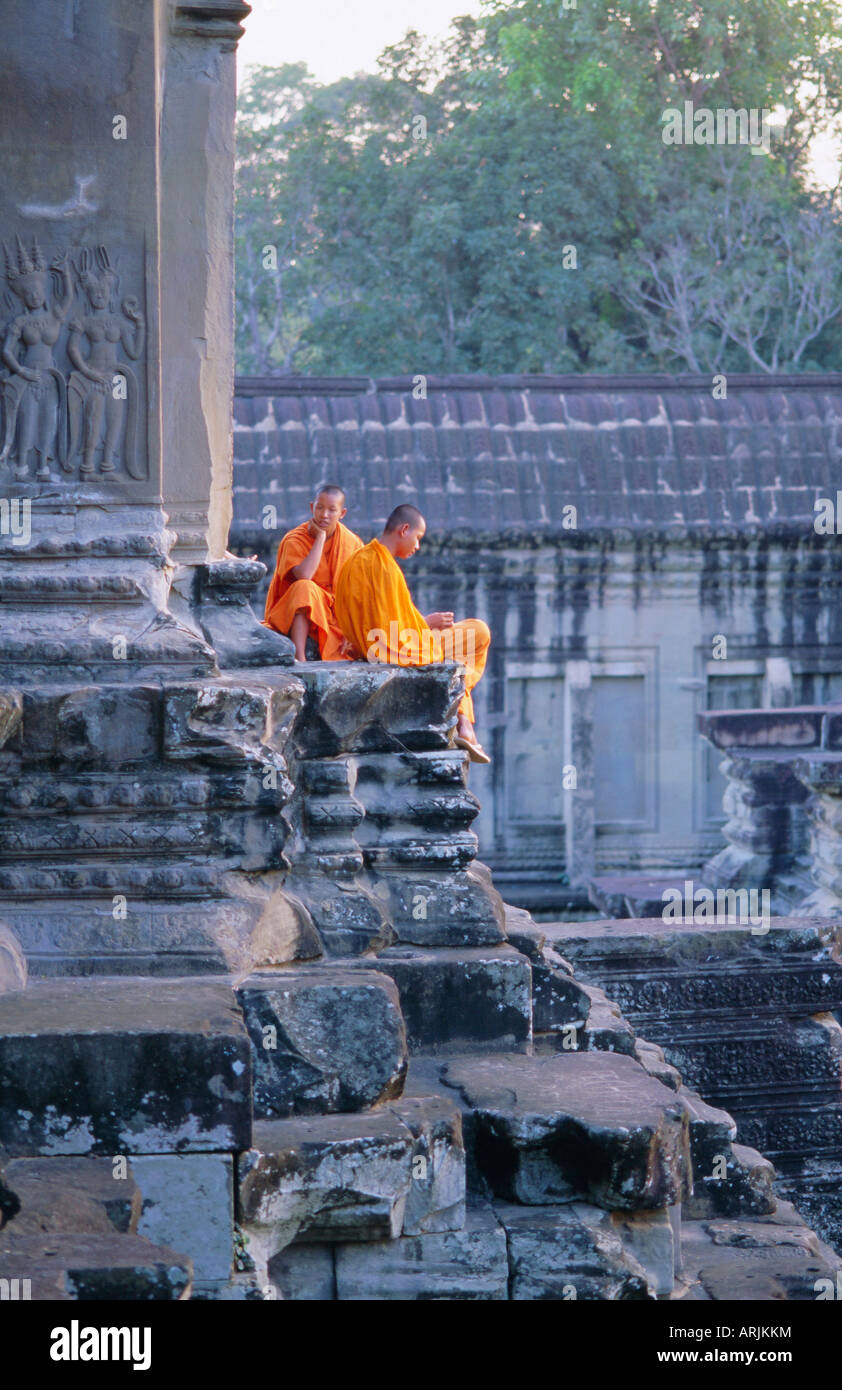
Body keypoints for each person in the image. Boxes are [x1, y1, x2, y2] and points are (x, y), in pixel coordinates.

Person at [334, 503, 491, 763]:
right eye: (417, 538)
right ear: (404, 530)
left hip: (375, 645)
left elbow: (386, 619)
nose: (417, 546)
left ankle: (465, 726)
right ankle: (466, 725)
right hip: (393, 648)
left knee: (464, 649)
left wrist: (424, 624)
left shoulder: (357, 560)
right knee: (479, 633)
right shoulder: (383, 567)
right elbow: (393, 632)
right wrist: (427, 624)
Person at [263, 484, 363, 661]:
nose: (324, 515)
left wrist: (351, 629)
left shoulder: (352, 543)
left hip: (337, 615)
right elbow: (304, 575)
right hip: (296, 608)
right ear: (312, 508)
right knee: (305, 588)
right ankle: (300, 657)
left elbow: (358, 591)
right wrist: (320, 538)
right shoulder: (294, 539)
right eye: (320, 508)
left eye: (332, 510)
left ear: (342, 513)